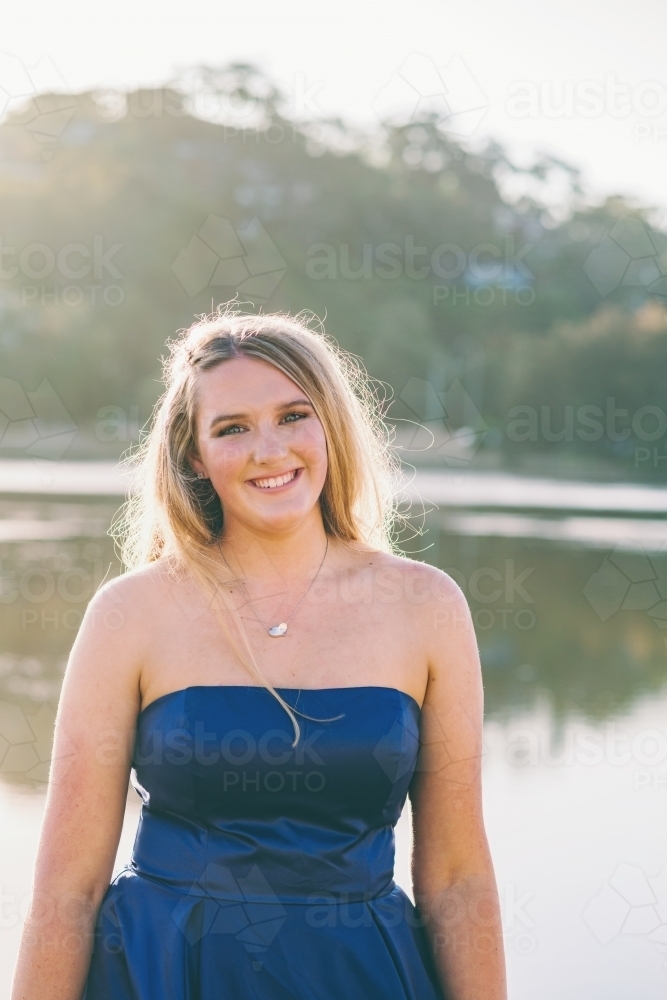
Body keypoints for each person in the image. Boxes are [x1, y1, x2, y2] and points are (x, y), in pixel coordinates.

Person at [11, 309, 507, 1000]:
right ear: (194, 455)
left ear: (331, 424)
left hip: (359, 972)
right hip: (163, 972)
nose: (269, 450)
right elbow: (68, 888)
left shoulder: (426, 607)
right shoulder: (130, 614)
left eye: (293, 416)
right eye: (232, 428)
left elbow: (456, 878)